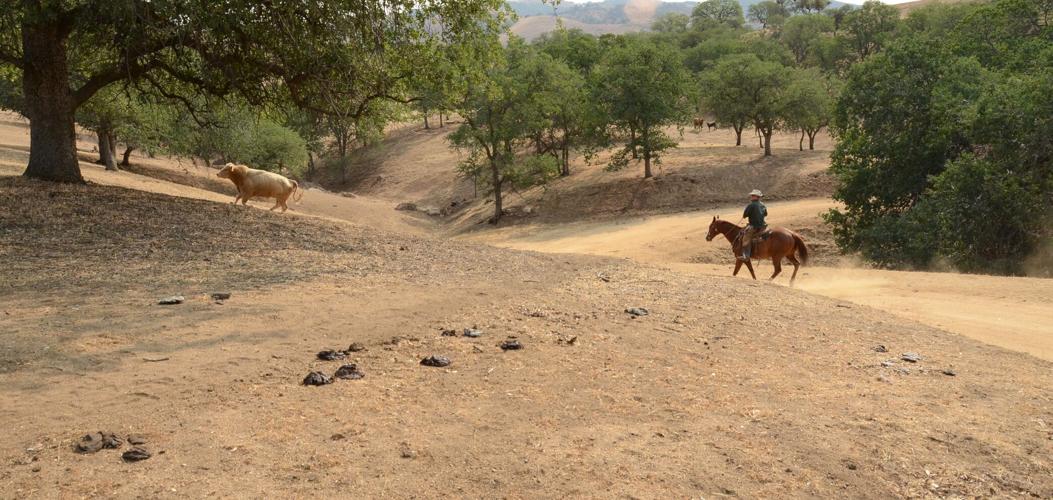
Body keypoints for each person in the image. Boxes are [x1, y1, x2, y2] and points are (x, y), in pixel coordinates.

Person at [740, 189, 767, 260]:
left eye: (752, 195)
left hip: (754, 226)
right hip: (763, 226)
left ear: (757, 197)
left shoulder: (751, 205)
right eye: (751, 195)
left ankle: (746, 255)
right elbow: (766, 214)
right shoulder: (763, 204)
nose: (751, 197)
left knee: (745, 238)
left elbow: (745, 215)